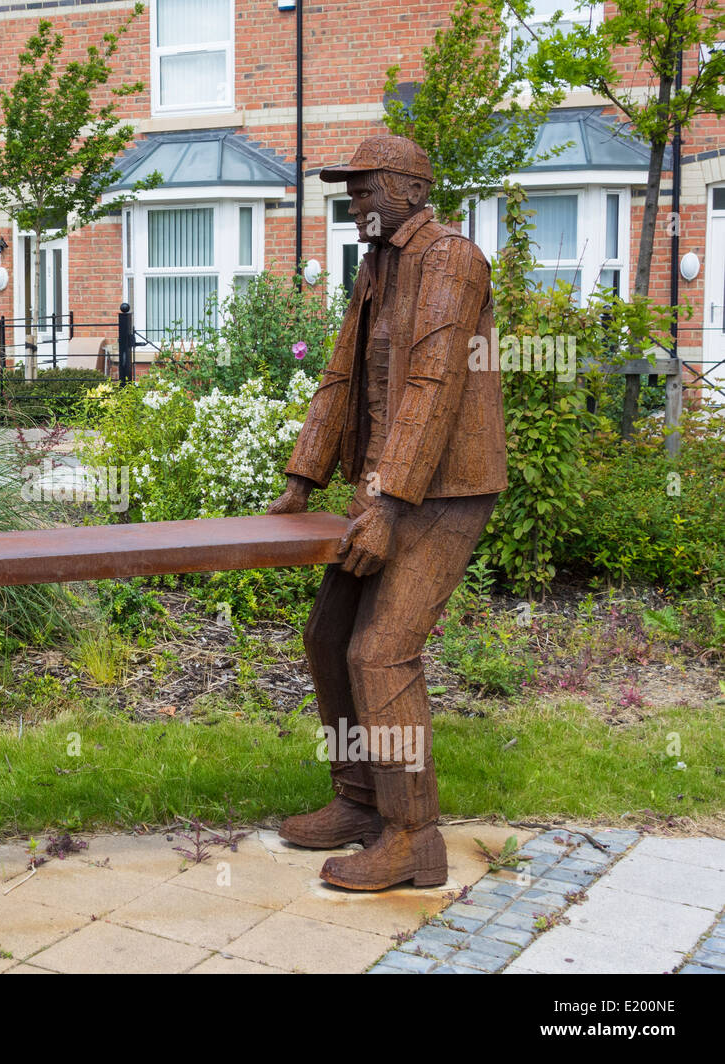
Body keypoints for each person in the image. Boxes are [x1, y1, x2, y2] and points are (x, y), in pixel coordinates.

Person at [268, 134, 507, 890]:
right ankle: (362, 800)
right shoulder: (379, 265)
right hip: (390, 488)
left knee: (381, 652)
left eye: (365, 188)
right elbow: (342, 373)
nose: (353, 201)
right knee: (329, 631)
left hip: (444, 491)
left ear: (406, 188)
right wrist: (303, 477)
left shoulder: (451, 261)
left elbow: (435, 387)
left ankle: (413, 835)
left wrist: (387, 502)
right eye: (351, 190)